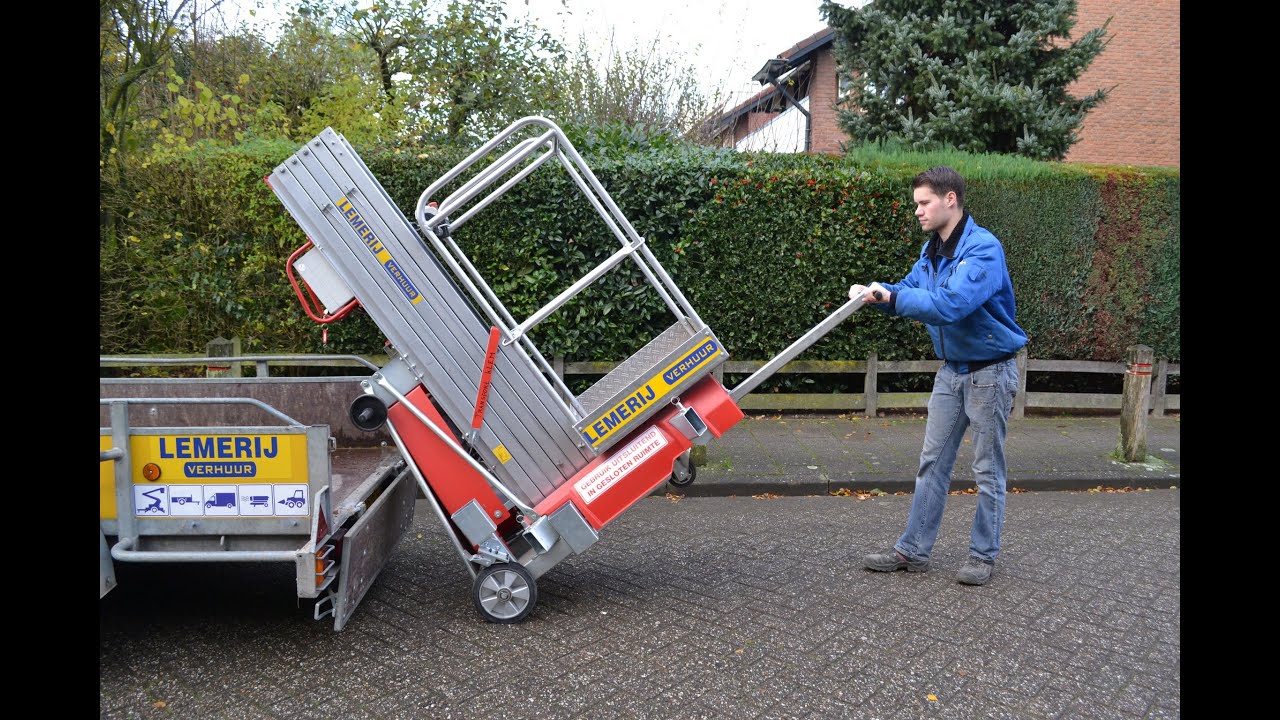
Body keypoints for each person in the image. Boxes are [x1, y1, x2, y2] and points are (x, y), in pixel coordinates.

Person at [848, 166, 1027, 586]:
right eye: (916, 204)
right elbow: (908, 289)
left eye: (923, 203)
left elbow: (949, 305)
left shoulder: (983, 250)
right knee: (932, 463)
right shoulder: (931, 255)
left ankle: (982, 556)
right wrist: (876, 293)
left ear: (950, 200)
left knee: (987, 470)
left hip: (990, 372)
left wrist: (894, 296)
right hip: (951, 373)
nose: (917, 211)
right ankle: (913, 551)